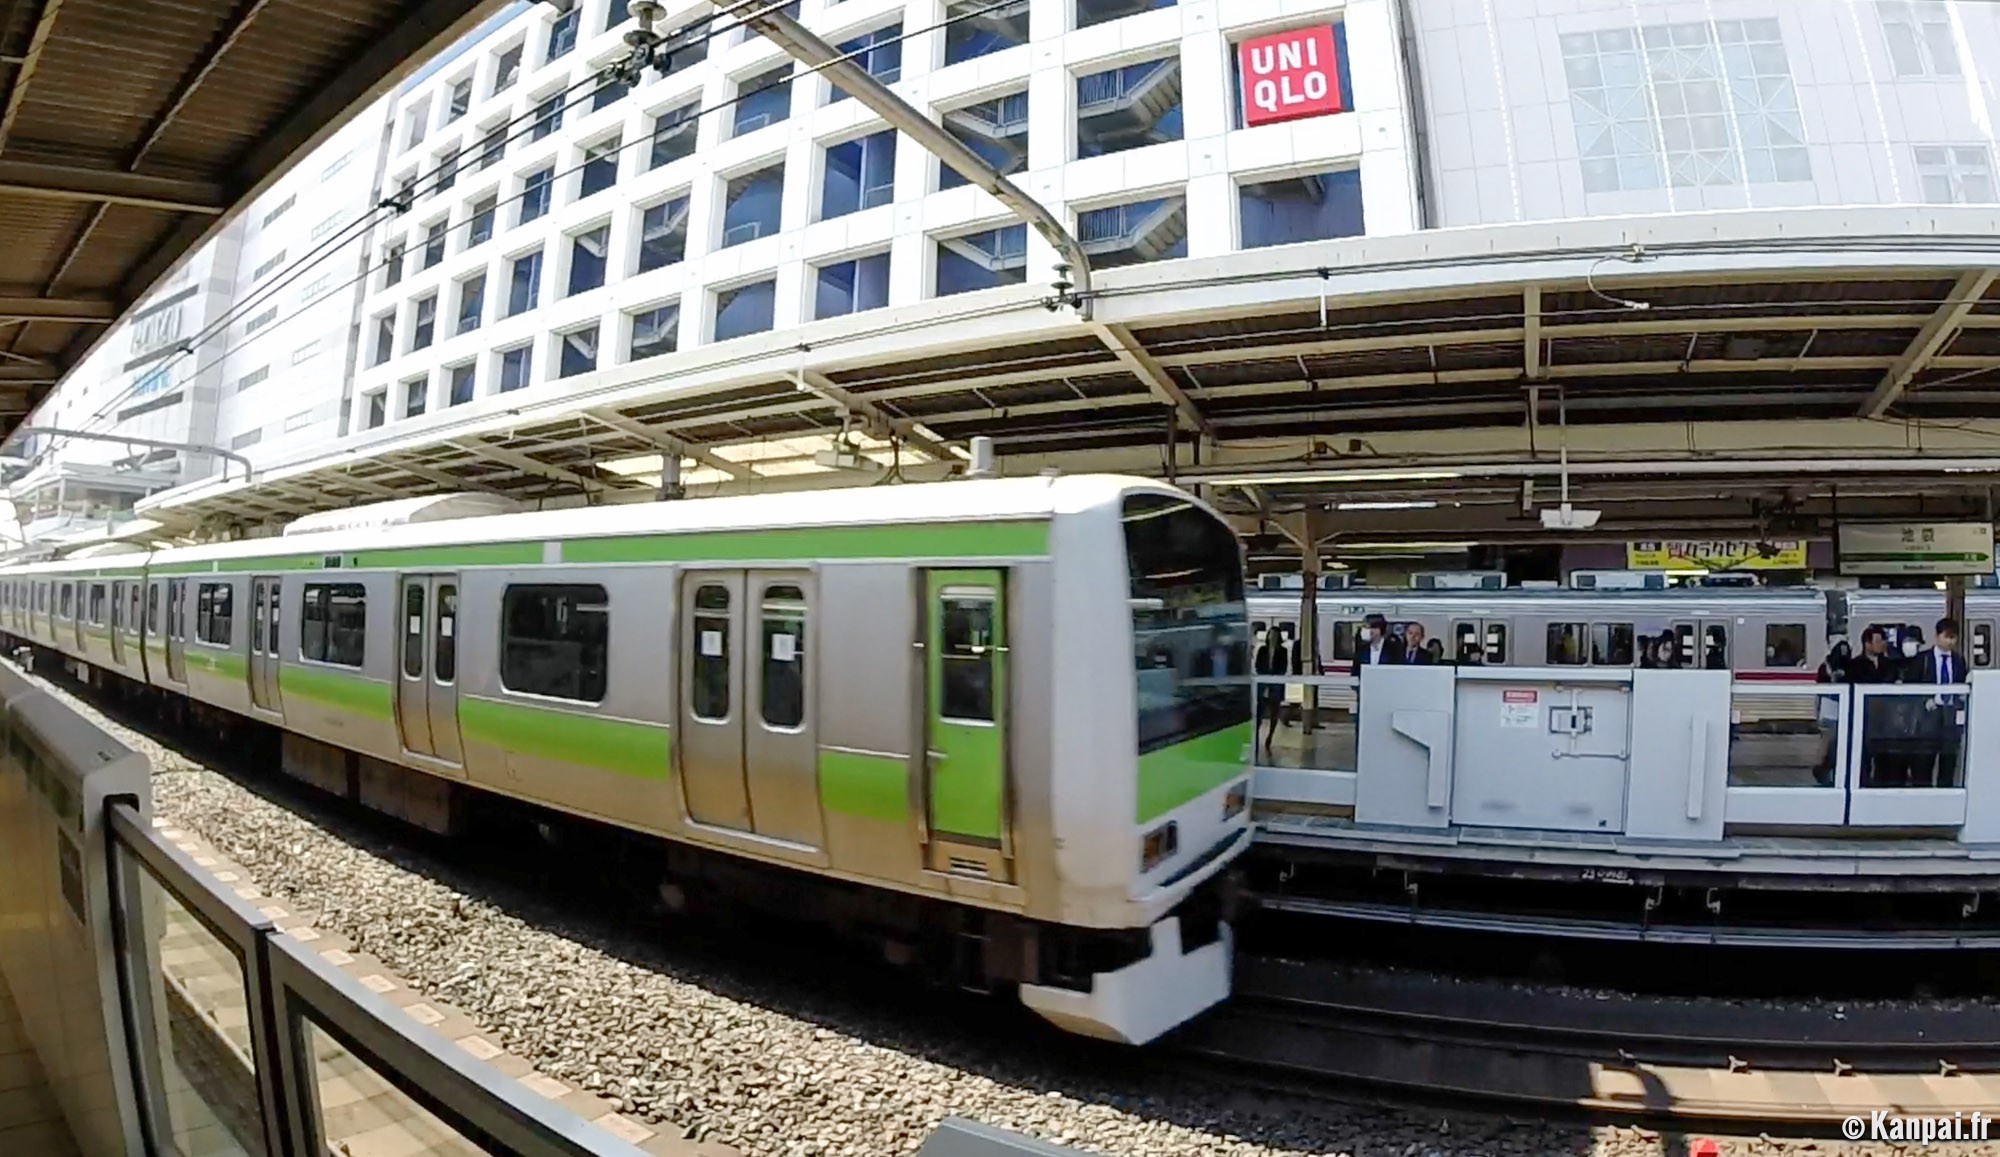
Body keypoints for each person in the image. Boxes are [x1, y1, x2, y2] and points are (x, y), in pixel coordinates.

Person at [1910, 617, 1968, 788]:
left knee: (1948, 761)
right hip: (1927, 717)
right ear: (1937, 636)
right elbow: (1911, 686)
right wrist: (1925, 700)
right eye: (1947, 636)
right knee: (1924, 763)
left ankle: (1946, 794)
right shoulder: (1923, 659)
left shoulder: (1958, 660)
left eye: (1953, 638)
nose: (1950, 641)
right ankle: (1922, 795)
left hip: (1950, 716)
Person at [1253, 628, 1290, 757]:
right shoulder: (1262, 650)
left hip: (1275, 688)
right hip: (1263, 686)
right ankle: (1256, 738)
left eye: (1274, 635)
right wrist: (1265, 677)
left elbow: (1283, 668)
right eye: (1270, 635)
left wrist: (1272, 678)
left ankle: (1269, 738)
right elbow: (1258, 665)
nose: (1272, 637)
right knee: (1259, 714)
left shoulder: (1283, 651)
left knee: (1274, 713)